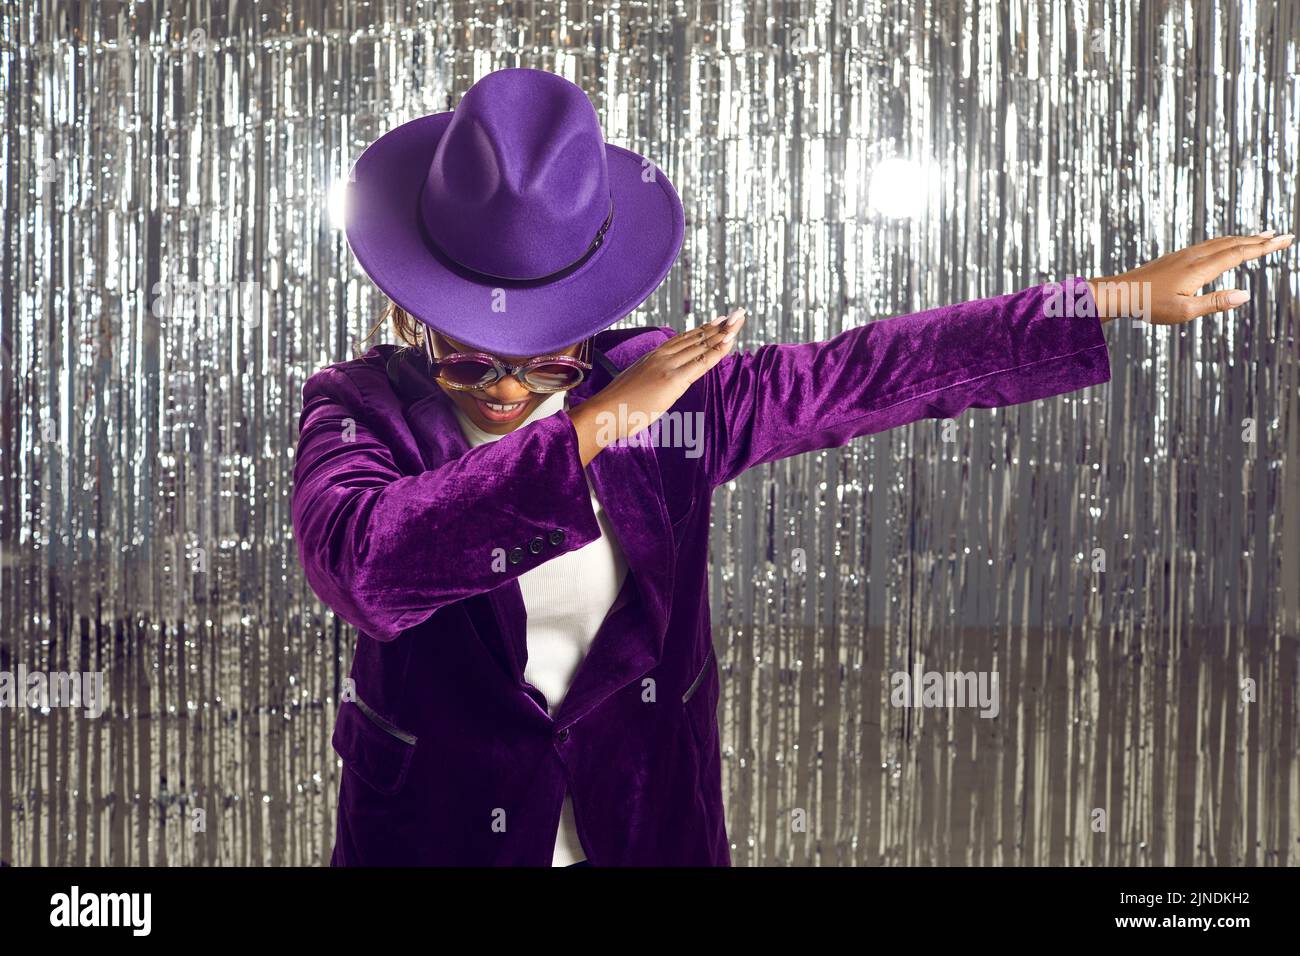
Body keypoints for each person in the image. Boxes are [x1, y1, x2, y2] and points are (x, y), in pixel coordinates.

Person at [291, 67, 1292, 866]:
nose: (509, 393)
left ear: (584, 322)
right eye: (467, 357)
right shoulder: (359, 407)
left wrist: (1106, 298)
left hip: (643, 818)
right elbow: (372, 570)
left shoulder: (670, 391)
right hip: (434, 831)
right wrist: (589, 425)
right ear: (407, 315)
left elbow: (879, 370)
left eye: (547, 360)